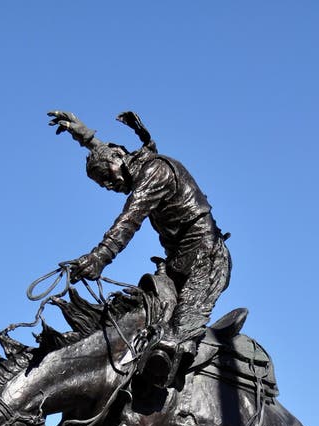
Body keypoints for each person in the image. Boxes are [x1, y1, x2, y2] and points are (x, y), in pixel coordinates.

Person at [48, 110, 232, 384]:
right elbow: (107, 153)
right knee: (136, 322)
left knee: (171, 341)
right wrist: (85, 136)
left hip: (206, 262)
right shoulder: (131, 164)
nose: (109, 186)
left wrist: (99, 258)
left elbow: (130, 218)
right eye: (103, 185)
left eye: (107, 178)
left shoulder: (155, 171)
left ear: (120, 158)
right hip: (175, 265)